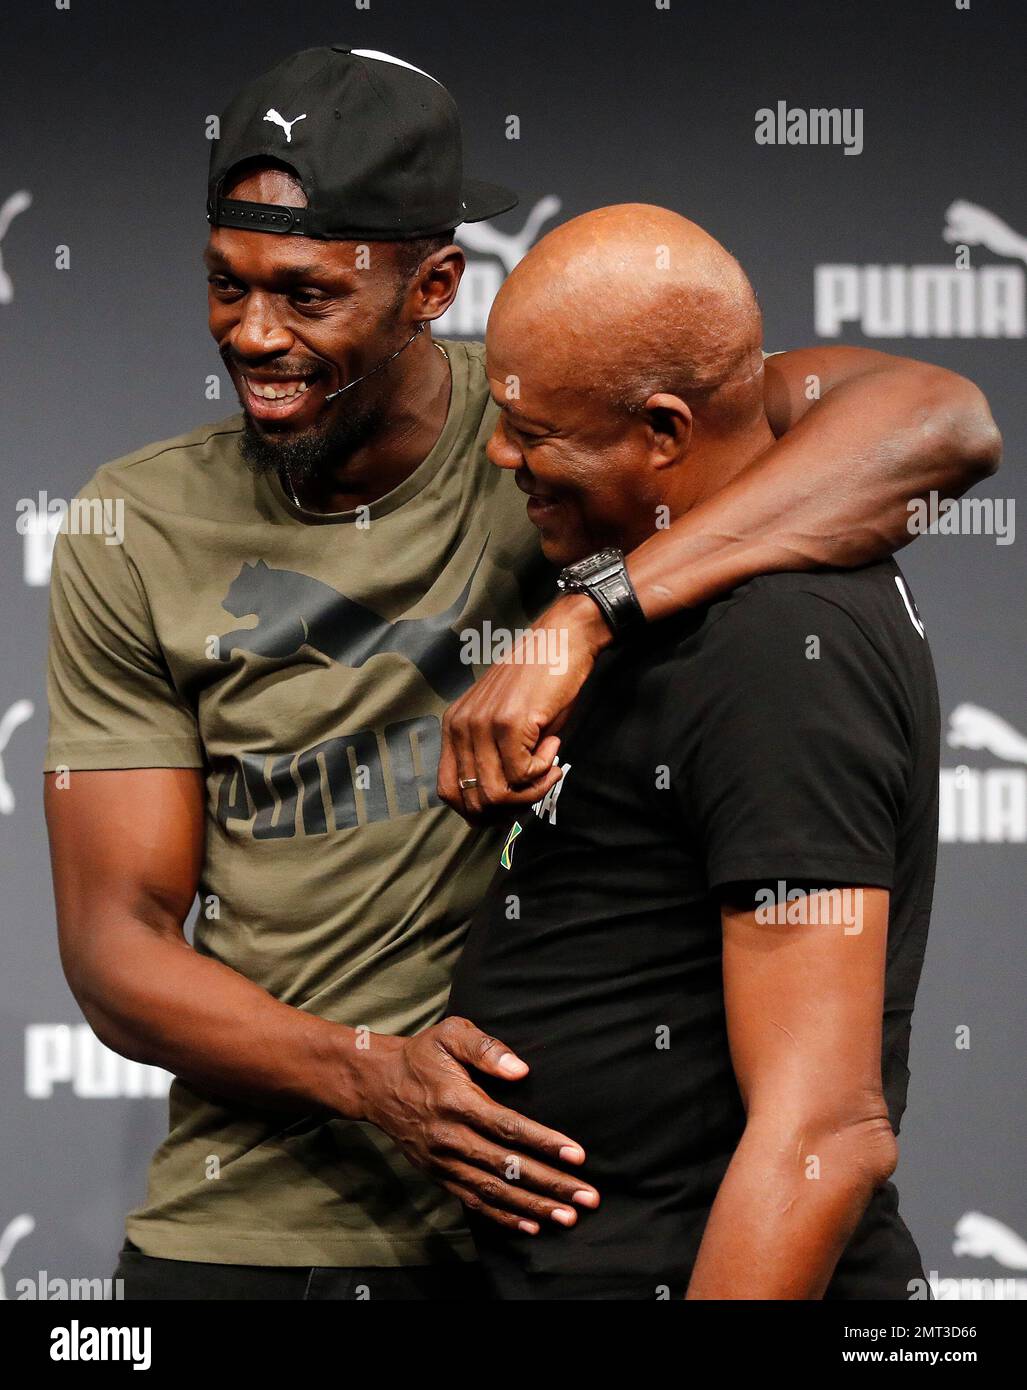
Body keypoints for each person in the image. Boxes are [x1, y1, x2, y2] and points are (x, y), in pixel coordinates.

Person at [43, 46, 997, 1300]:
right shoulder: (138, 525)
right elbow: (116, 944)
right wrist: (370, 1076)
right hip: (253, 1231)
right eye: (226, 285)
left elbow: (939, 420)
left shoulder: (562, 432)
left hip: (529, 1233)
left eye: (309, 294)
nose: (254, 335)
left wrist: (583, 614)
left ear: (433, 282)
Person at [447, 204, 945, 1300]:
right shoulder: (676, 592)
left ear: (664, 433)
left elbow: (829, 1129)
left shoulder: (780, 644)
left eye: (533, 434)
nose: (500, 456)